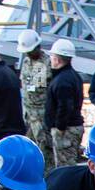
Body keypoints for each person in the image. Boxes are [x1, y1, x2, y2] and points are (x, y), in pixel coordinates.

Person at [16, 29, 56, 174]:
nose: (28, 54)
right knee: (29, 148)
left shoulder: (45, 63)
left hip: (41, 116)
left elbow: (38, 88)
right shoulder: (26, 61)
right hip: (29, 115)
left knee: (44, 150)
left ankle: (47, 178)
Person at [45, 38, 85, 168]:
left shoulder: (62, 80)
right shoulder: (73, 76)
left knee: (65, 167)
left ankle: (68, 188)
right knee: (69, 163)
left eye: (52, 56)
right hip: (72, 127)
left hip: (66, 130)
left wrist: (59, 127)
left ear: (57, 59)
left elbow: (65, 106)